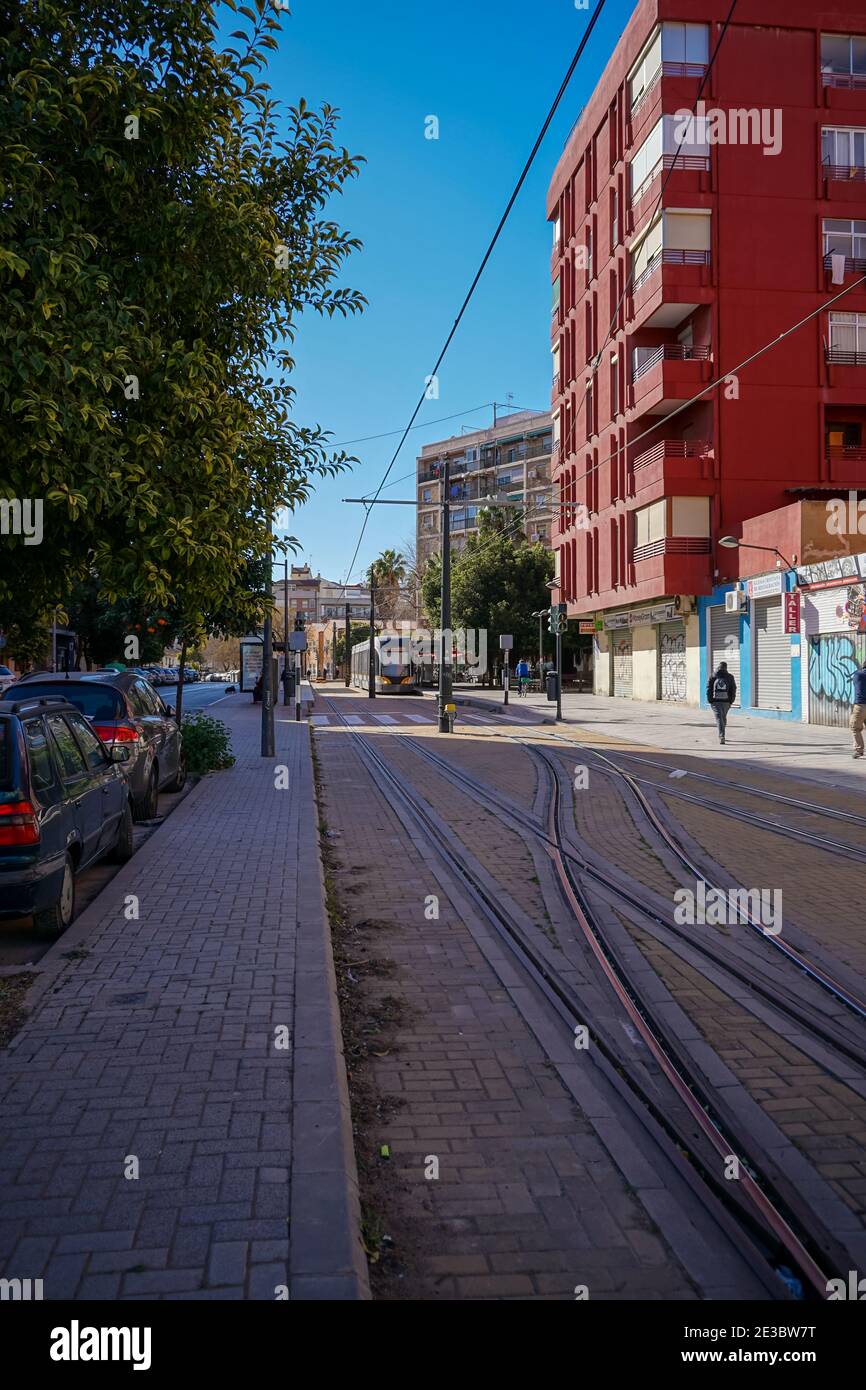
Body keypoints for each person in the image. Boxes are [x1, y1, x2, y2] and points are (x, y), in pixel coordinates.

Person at [706, 660, 736, 744]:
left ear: (718, 667)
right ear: (726, 668)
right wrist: (731, 701)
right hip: (726, 702)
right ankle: (722, 733)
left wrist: (710, 700)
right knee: (723, 717)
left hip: (715, 701)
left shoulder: (713, 676)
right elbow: (733, 689)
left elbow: (708, 688)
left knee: (719, 718)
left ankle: (721, 736)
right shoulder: (730, 676)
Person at [850, 659, 866, 760]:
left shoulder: (858, 675)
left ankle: (859, 750)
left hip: (860, 706)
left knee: (855, 728)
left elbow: (856, 685)